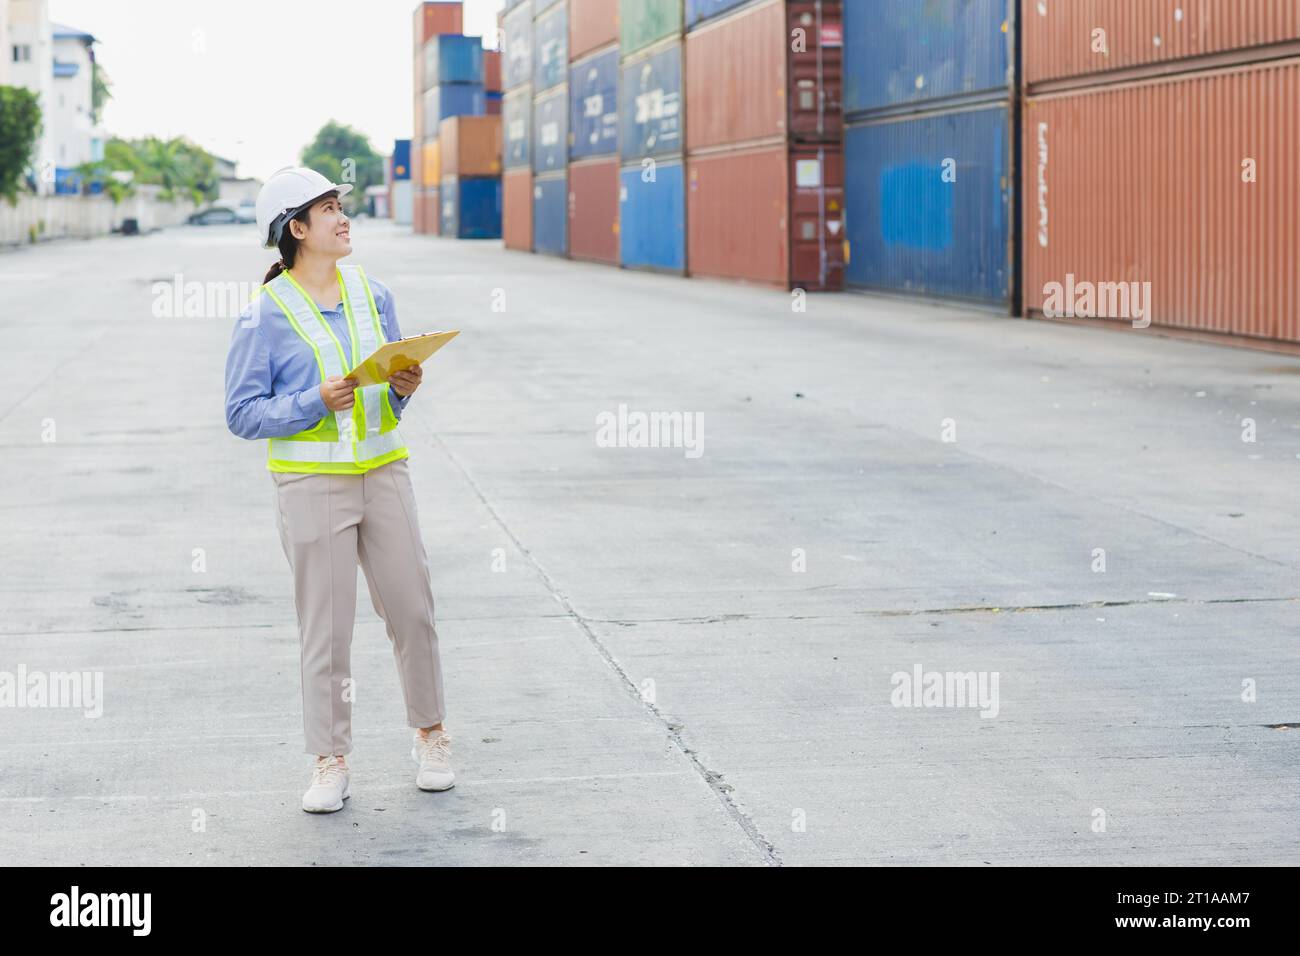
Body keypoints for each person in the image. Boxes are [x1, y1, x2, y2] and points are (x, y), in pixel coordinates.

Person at [223, 166, 453, 813]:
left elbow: (381, 393)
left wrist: (401, 391)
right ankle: (330, 760)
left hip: (383, 473)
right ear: (296, 229)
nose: (342, 218)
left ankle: (432, 735)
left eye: (341, 206)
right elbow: (242, 412)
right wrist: (311, 401)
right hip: (311, 485)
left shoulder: (372, 295)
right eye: (328, 209)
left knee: (413, 610)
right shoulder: (263, 317)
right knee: (327, 631)